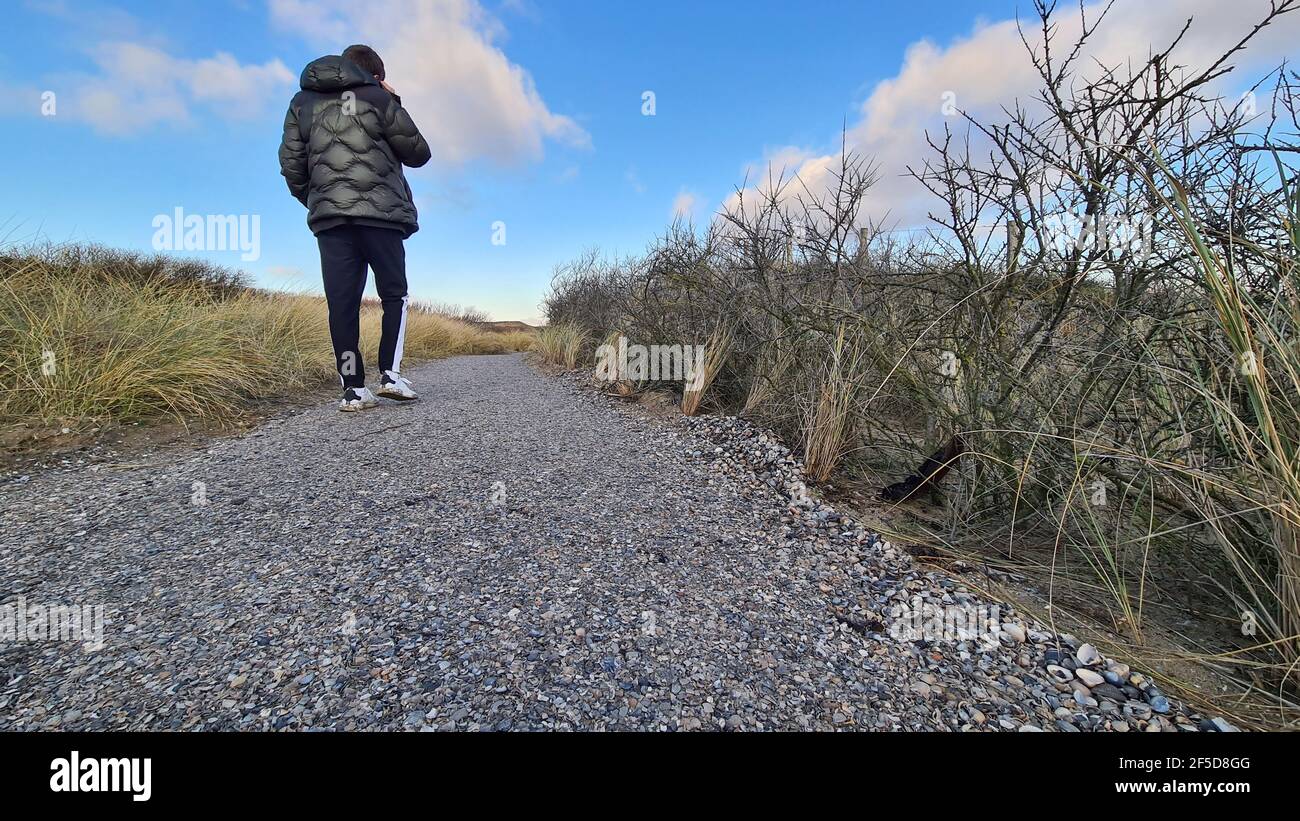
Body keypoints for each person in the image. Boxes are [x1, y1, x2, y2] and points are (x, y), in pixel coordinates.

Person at [278, 44, 432, 411]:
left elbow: (291, 164)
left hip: (331, 221)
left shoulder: (302, 103)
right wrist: (394, 101)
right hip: (381, 215)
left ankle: (353, 388)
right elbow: (418, 152)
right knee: (394, 295)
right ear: (375, 74)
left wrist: (321, 199)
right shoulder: (377, 98)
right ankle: (391, 376)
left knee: (342, 304)